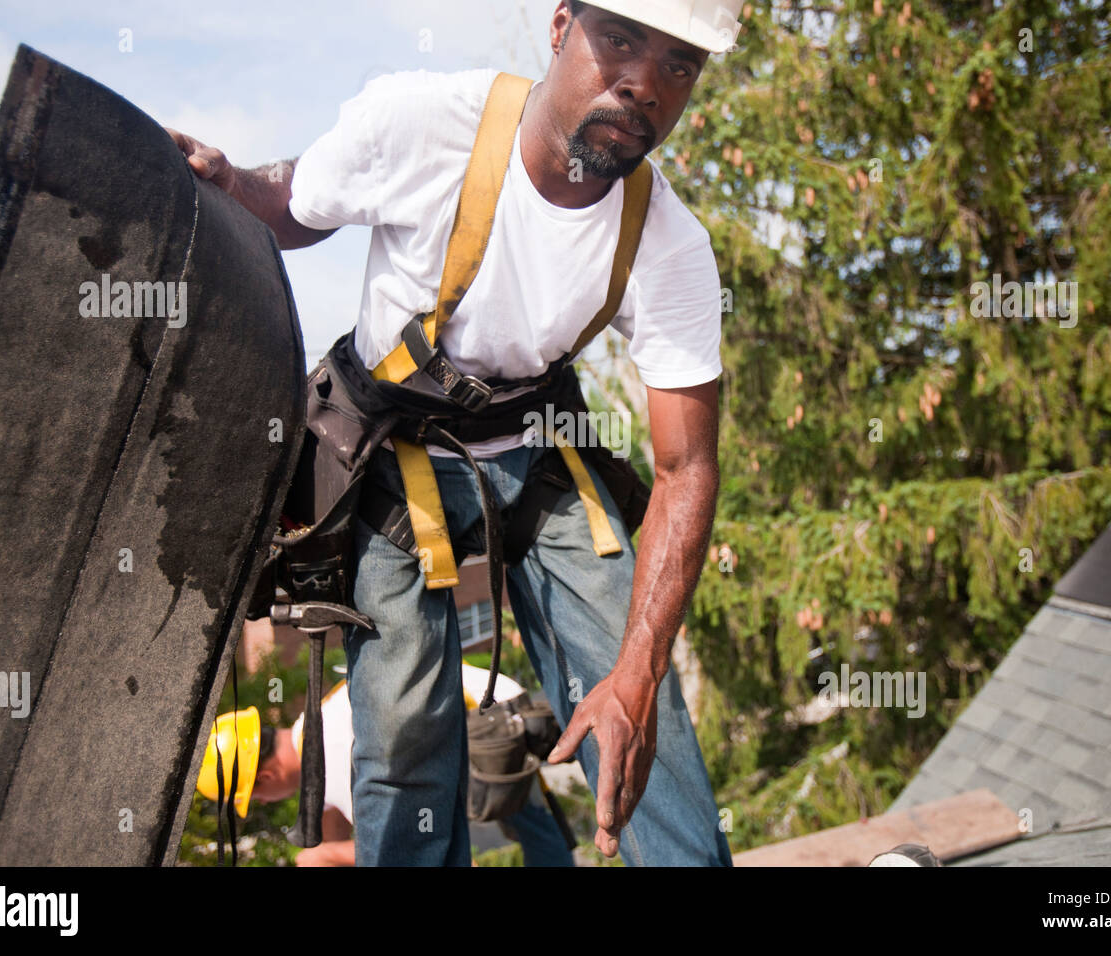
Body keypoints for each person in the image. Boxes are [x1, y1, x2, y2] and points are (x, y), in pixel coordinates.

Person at [169, 0, 743, 865]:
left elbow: (685, 468)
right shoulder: (422, 124)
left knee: (635, 706)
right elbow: (293, 202)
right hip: (391, 455)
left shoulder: (668, 244)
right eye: (619, 40)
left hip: (537, 447)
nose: (644, 83)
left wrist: (635, 675)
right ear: (560, 27)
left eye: (680, 65)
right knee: (403, 735)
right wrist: (229, 184)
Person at [197, 663, 574, 866]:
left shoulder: (340, 759)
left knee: (521, 831)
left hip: (496, 728)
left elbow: (404, 846)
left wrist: (327, 855)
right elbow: (332, 816)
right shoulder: (314, 726)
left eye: (255, 797)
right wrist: (327, 848)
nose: (262, 804)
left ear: (266, 776)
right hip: (495, 709)